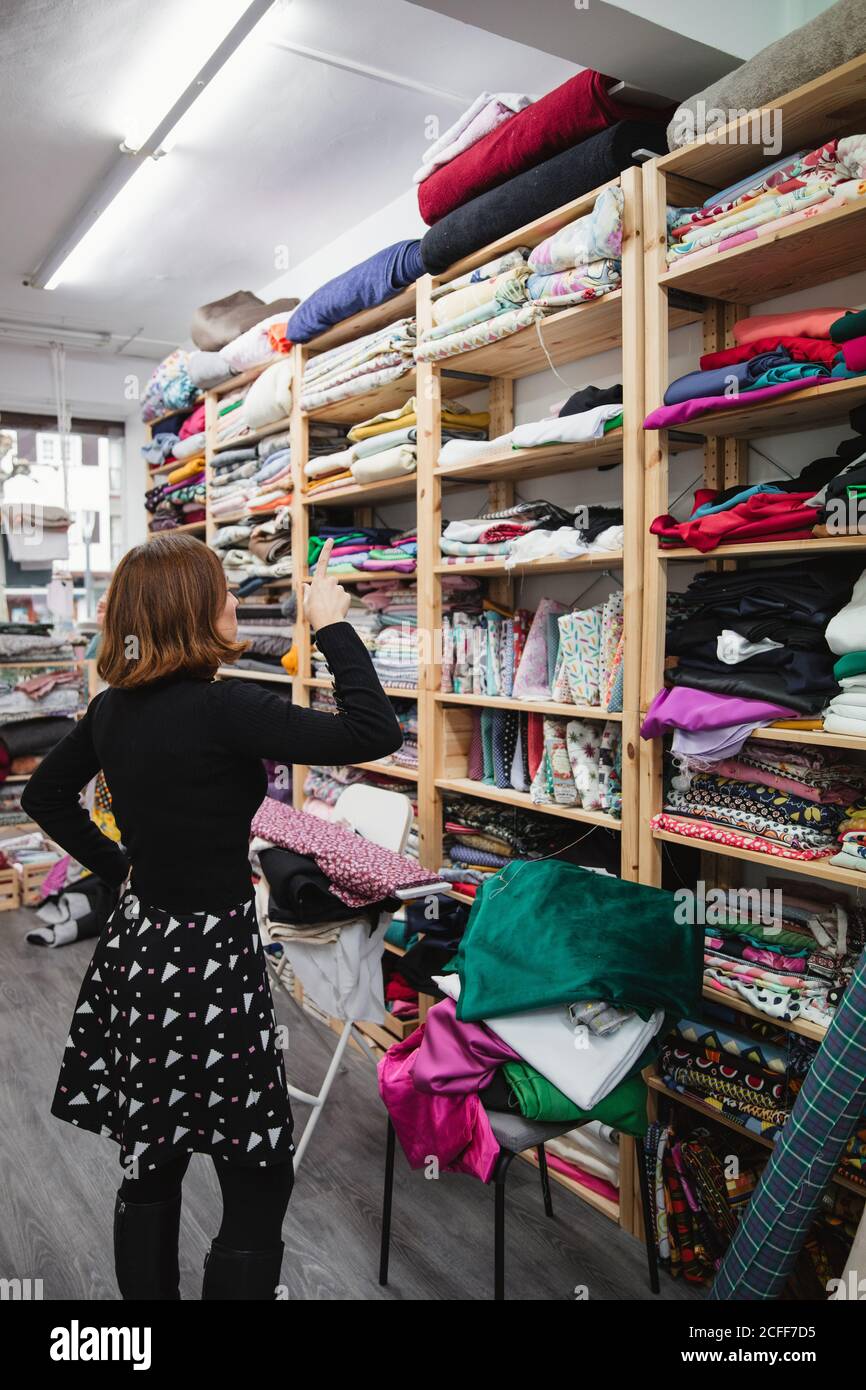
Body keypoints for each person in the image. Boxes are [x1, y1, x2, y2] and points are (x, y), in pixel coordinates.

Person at [22, 534, 402, 1301]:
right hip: (213, 964)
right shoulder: (228, 706)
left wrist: (120, 868)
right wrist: (331, 625)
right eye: (224, 592)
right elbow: (374, 732)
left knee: (151, 1156)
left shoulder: (112, 710)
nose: (234, 602)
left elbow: (44, 797)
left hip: (140, 950)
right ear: (192, 610)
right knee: (258, 1174)